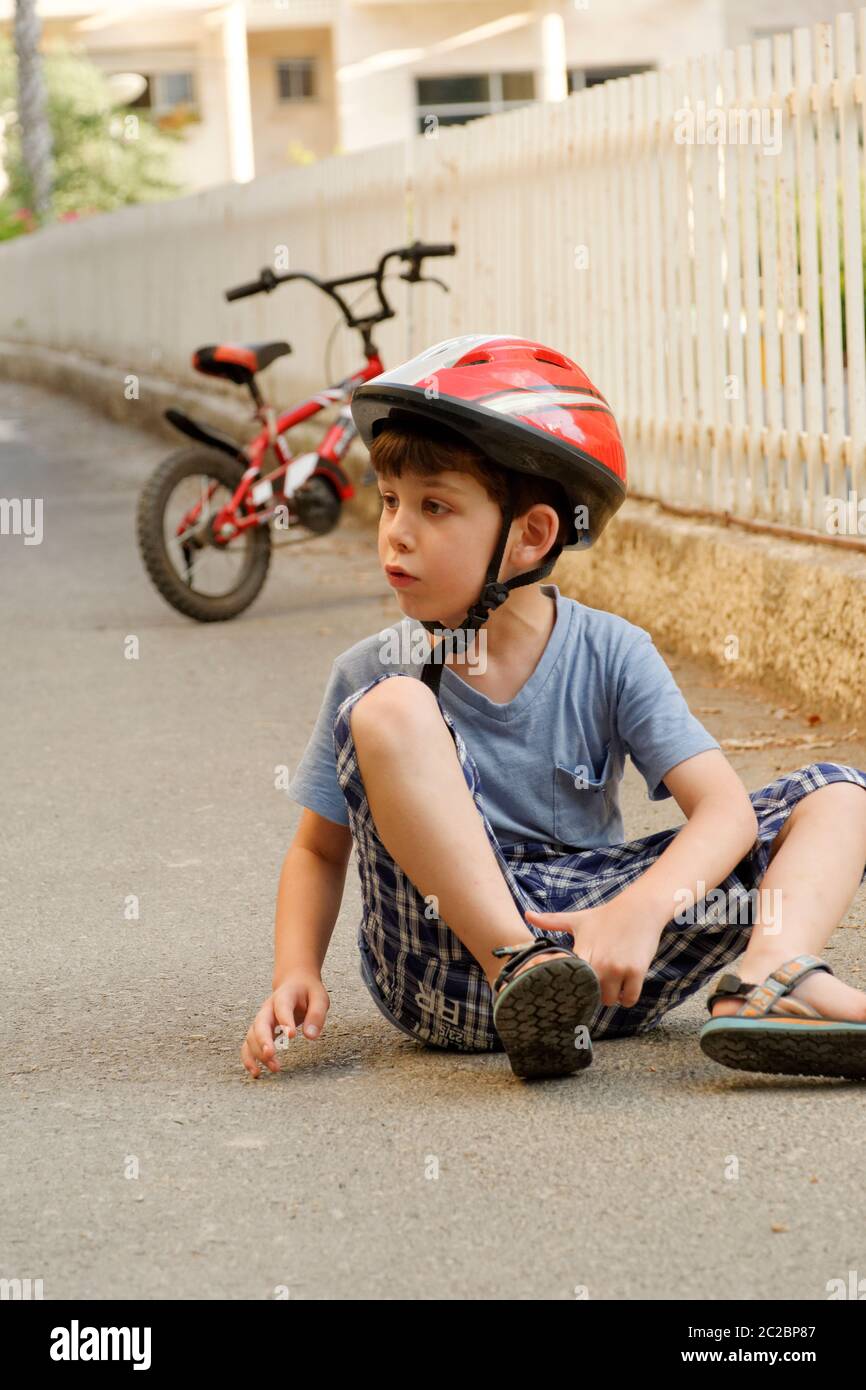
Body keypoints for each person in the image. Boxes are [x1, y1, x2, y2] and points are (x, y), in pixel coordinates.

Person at [241, 334, 866, 1083]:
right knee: (394, 707)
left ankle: (769, 978)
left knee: (839, 794)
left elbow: (725, 814)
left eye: (433, 506)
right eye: (389, 502)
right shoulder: (376, 672)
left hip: (605, 960)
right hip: (447, 965)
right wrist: (294, 970)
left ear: (531, 535)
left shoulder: (613, 652)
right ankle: (519, 966)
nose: (395, 532)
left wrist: (637, 911)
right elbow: (318, 850)